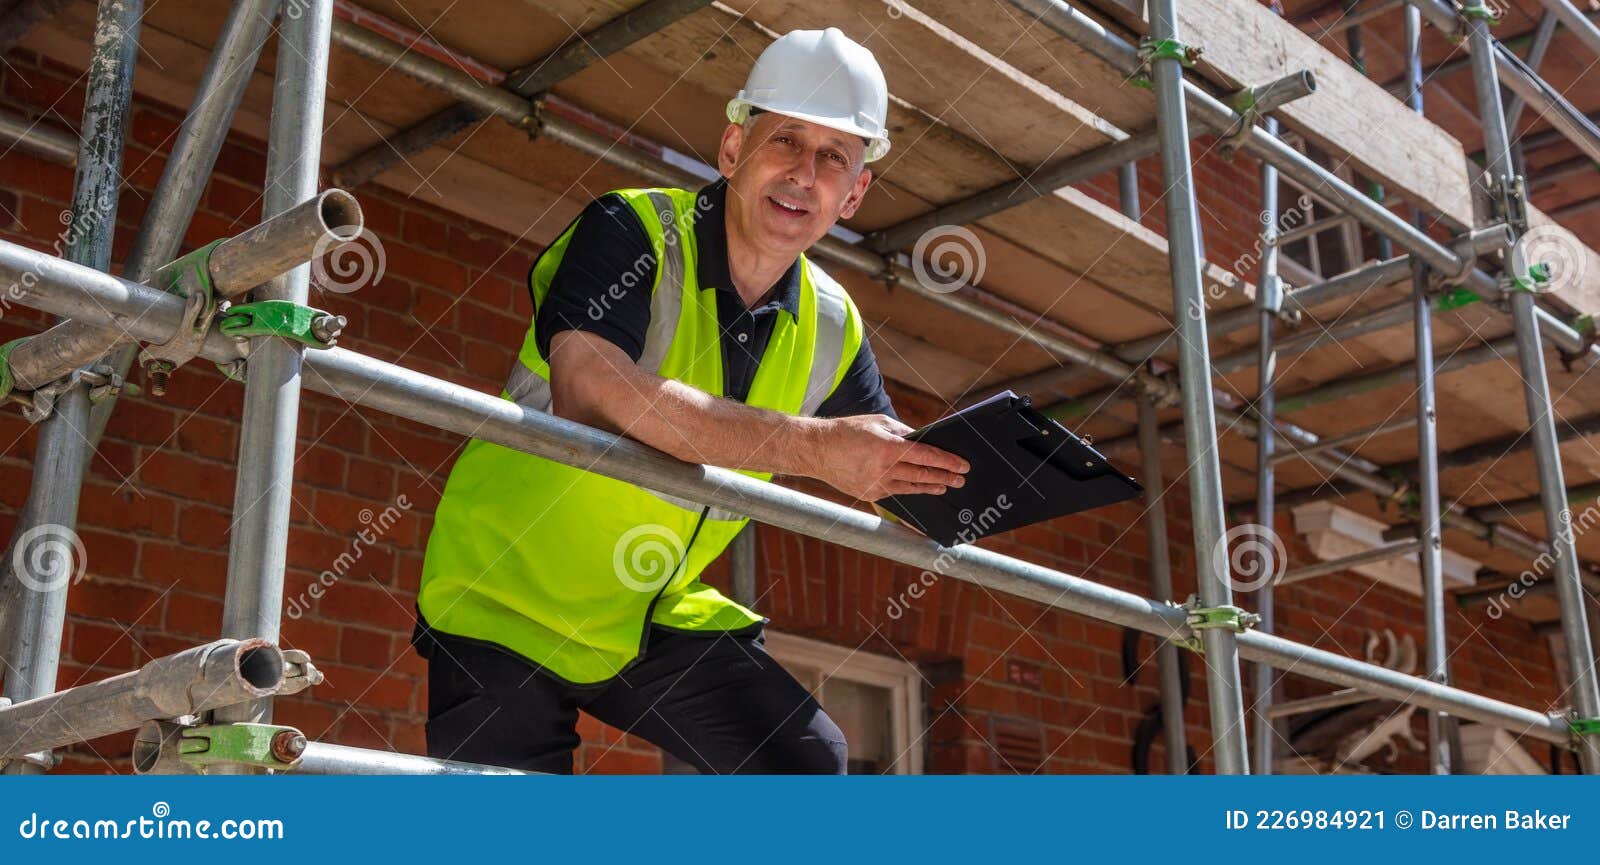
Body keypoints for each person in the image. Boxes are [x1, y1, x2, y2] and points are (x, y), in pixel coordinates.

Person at [412, 27, 968, 774]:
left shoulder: (832, 320)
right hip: (503, 594)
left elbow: (883, 474)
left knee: (804, 762)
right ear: (733, 151)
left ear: (855, 194)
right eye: (787, 141)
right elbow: (590, 387)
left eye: (835, 157)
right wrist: (816, 450)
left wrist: (968, 486)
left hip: (639, 608)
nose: (805, 173)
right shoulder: (633, 231)